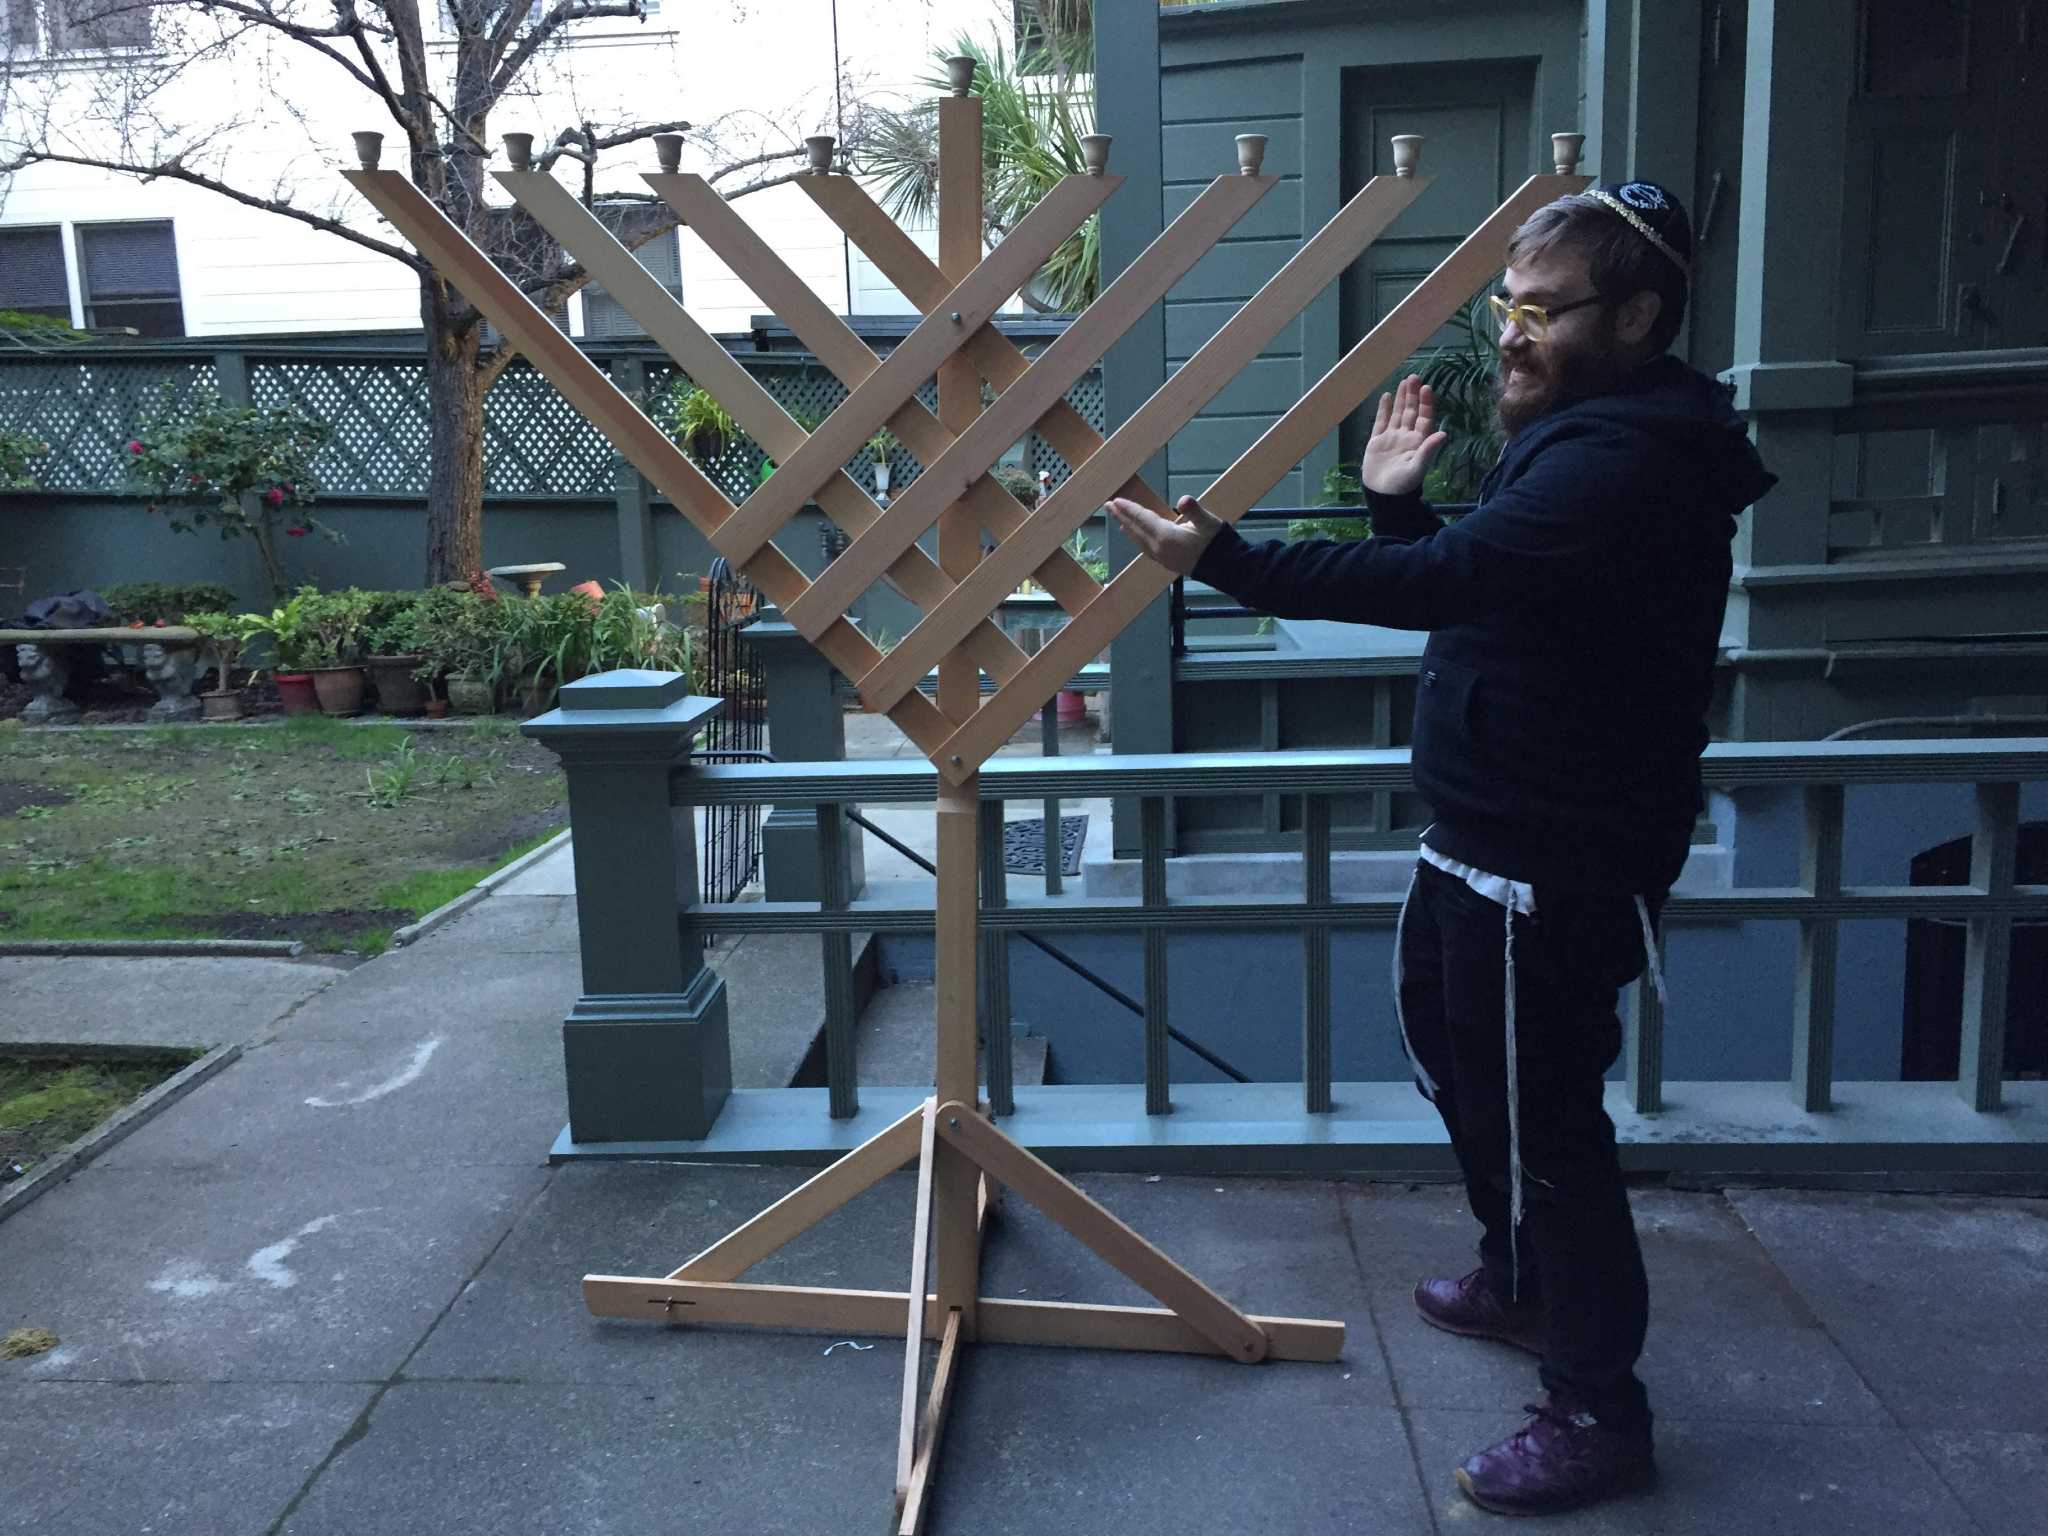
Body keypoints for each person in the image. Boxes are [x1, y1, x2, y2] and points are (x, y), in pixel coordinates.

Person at [1108, 180, 1776, 1517]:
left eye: (1544, 309)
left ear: (1637, 315)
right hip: (1486, 835)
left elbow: (1458, 585)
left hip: (1558, 860)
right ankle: (1520, 1281)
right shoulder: (1585, 433)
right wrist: (1400, 508)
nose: (1514, 335)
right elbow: (1497, 598)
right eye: (1506, 306)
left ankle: (1599, 1406)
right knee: (1457, 1068)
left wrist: (1225, 559)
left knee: (1549, 1133)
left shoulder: (1627, 456)